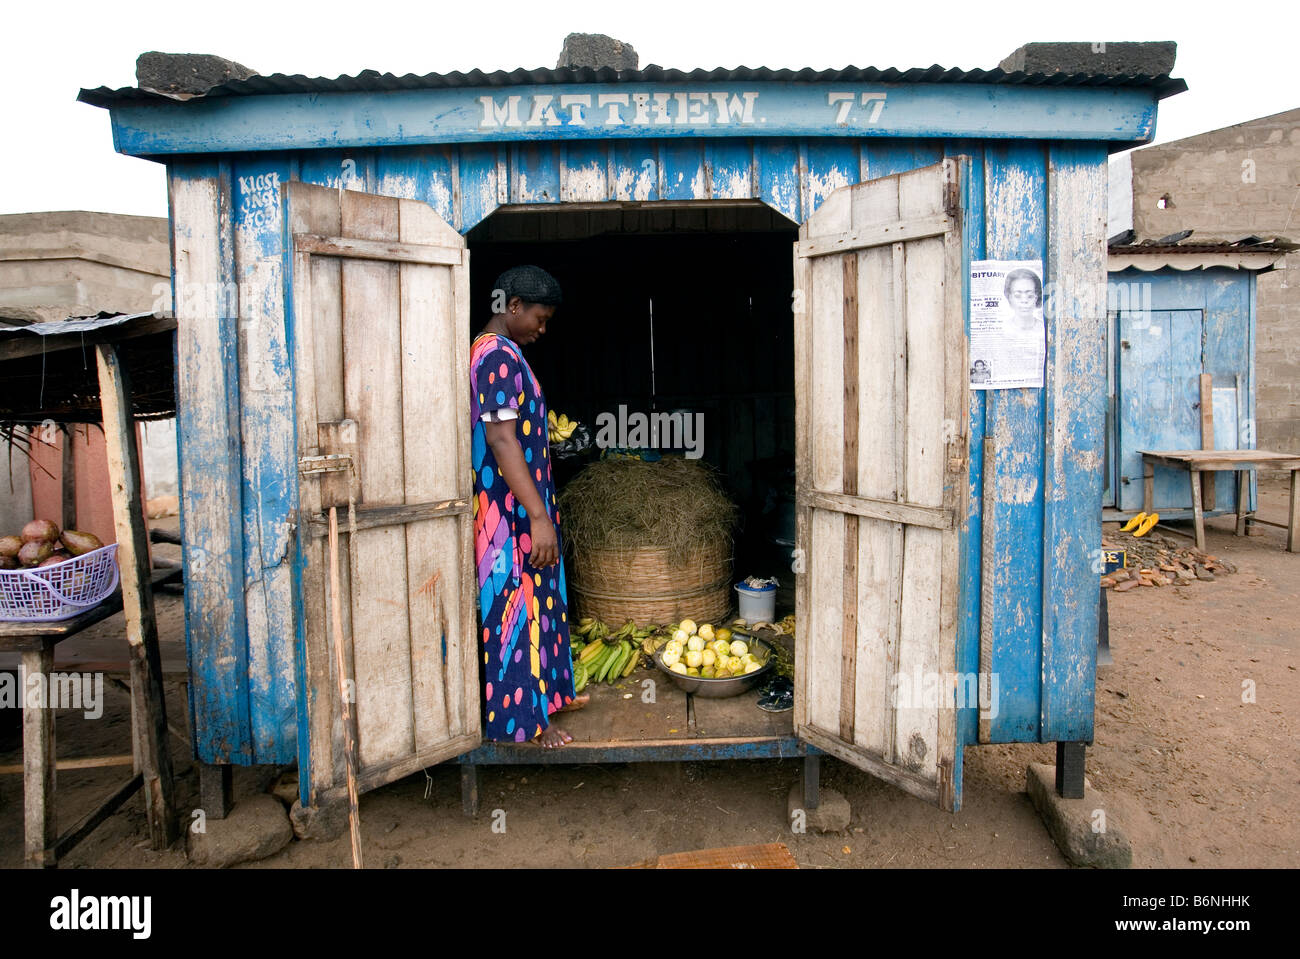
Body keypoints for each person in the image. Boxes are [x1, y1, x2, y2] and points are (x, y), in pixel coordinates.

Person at [470, 265, 586, 748]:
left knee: (540, 602)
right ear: (512, 307)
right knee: (515, 612)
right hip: (507, 516)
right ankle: (526, 724)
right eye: (539, 317)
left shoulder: (504, 352)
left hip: (524, 506)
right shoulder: (495, 356)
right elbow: (500, 439)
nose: (543, 328)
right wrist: (537, 517)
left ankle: (548, 699)